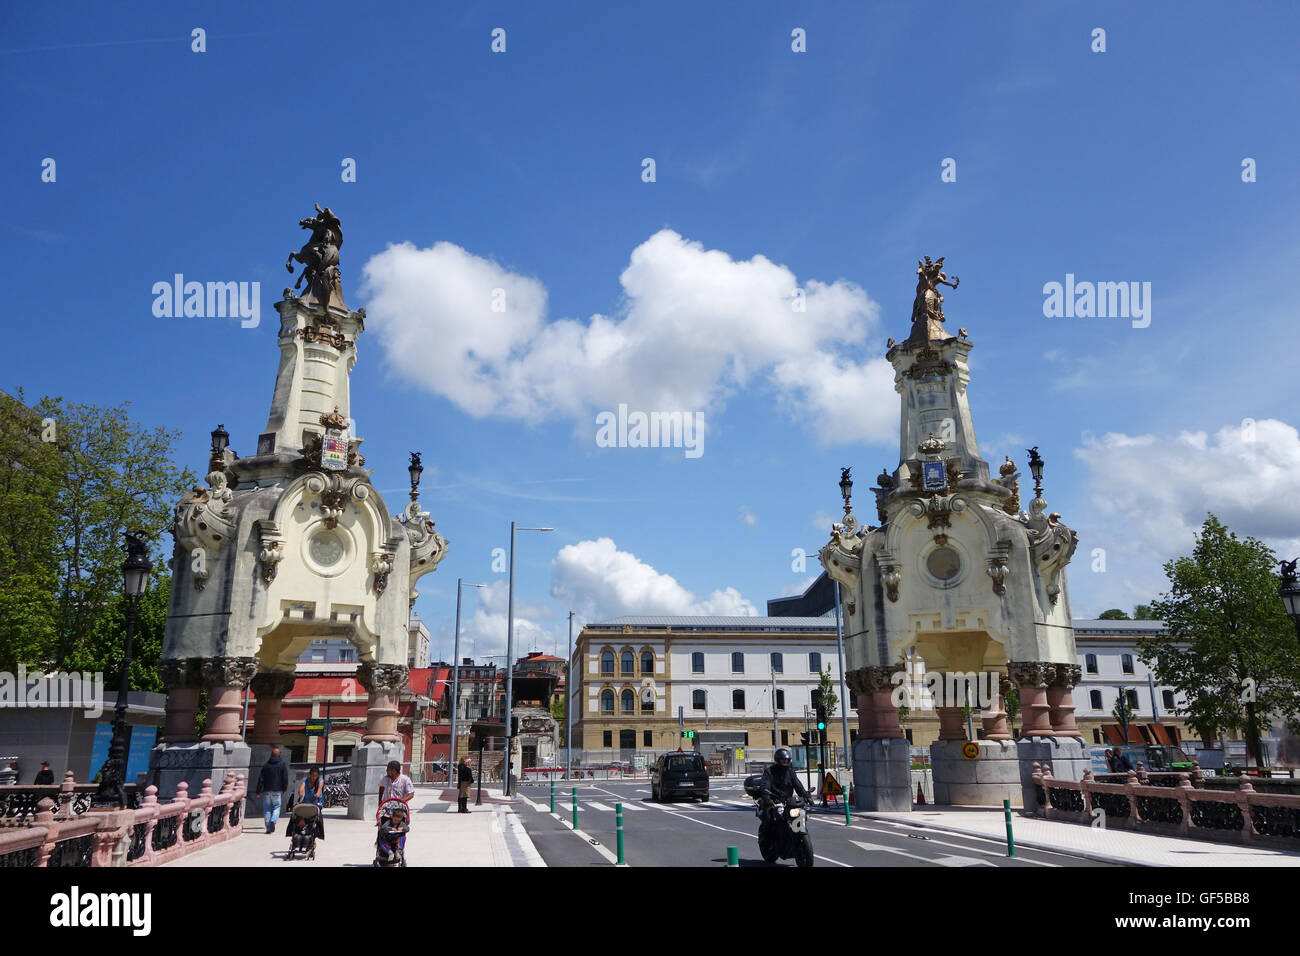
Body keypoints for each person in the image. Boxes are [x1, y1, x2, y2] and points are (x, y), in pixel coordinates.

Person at [256, 746, 290, 834]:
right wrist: (284, 788)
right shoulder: (282, 764)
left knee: (267, 809)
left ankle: (268, 828)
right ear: (279, 755)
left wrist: (258, 791)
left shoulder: (266, 765)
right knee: (276, 807)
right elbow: (285, 777)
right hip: (277, 790)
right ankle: (273, 821)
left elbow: (261, 779)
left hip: (267, 790)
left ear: (271, 755)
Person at [295, 765, 325, 838]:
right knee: (298, 813)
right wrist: (300, 792)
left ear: (318, 775)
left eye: (315, 776)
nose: (314, 777)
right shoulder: (306, 780)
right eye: (312, 775)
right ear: (310, 775)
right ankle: (297, 832)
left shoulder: (320, 780)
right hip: (307, 803)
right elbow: (301, 787)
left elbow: (320, 787)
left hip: (317, 803)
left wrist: (318, 793)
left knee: (317, 820)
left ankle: (317, 835)